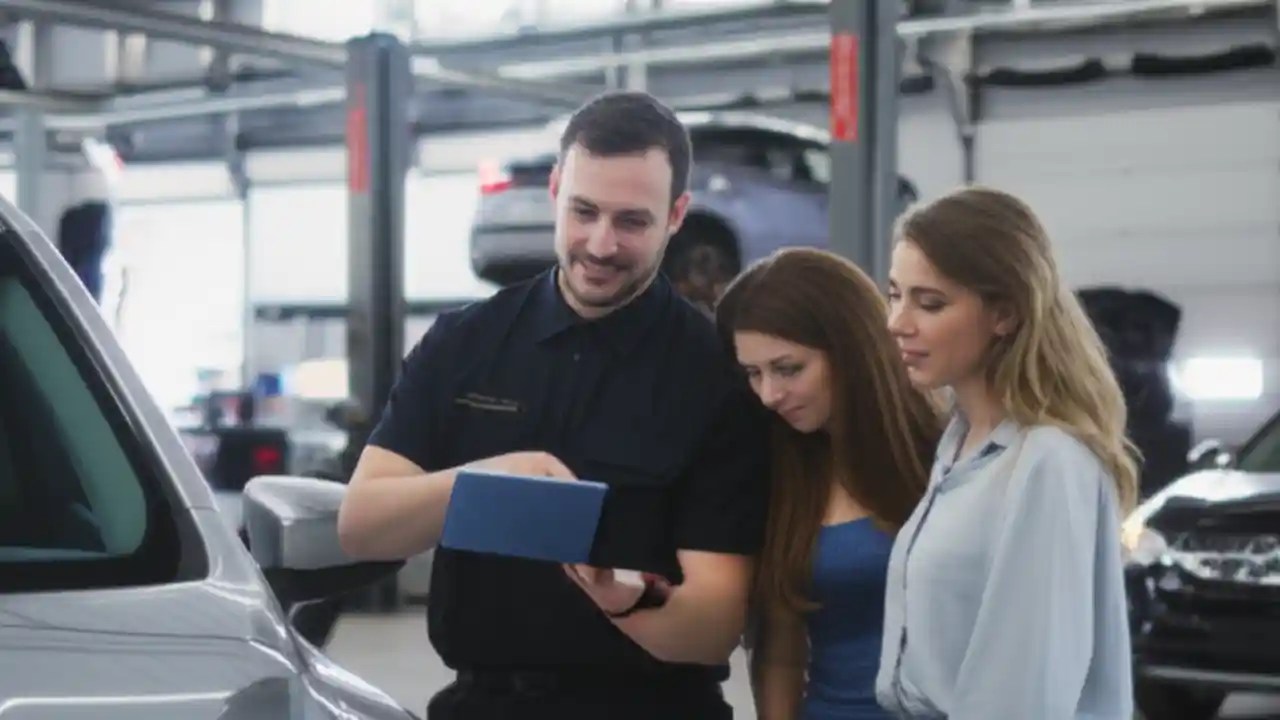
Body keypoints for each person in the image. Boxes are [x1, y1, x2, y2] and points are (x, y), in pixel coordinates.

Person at [336, 90, 771, 720]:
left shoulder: (714, 372)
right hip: (480, 704)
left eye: (632, 221)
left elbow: (715, 623)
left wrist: (622, 599)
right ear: (555, 188)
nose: (599, 245)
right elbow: (363, 526)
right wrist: (482, 484)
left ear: (677, 215)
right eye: (583, 211)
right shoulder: (465, 342)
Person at [875, 186, 1138, 719]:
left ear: (1006, 314)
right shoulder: (959, 443)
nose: (897, 322)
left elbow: (1024, 694)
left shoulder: (1049, 462)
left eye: (930, 303)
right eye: (894, 294)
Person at [714, 248, 942, 720]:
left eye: (787, 368)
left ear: (851, 349)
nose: (769, 395)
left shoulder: (947, 455)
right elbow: (779, 649)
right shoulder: (784, 467)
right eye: (753, 374)